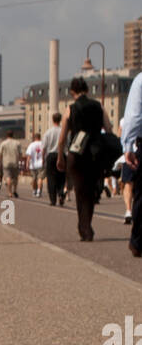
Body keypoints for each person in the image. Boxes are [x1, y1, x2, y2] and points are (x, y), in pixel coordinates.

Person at [57, 77, 112, 242]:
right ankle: (86, 225)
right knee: (91, 191)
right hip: (95, 152)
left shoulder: (70, 109)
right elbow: (108, 128)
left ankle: (84, 227)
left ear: (72, 92)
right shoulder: (98, 106)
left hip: (77, 152)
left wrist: (61, 156)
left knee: (80, 191)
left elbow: (62, 137)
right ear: (87, 90)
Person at [120, 69, 142, 257]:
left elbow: (134, 116)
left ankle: (137, 241)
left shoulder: (140, 81)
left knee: (141, 194)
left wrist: (128, 145)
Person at [41, 113, 65, 206]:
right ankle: (61, 192)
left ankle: (53, 199)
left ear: (52, 120)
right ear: (60, 120)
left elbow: (44, 147)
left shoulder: (48, 132)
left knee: (51, 178)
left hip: (51, 155)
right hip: (62, 154)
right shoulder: (63, 131)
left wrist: (43, 158)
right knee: (61, 176)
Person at [0, 130, 22, 198]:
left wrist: (1, 161)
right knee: (15, 178)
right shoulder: (17, 143)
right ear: (13, 135)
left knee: (8, 177)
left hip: (6, 162)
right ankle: (15, 190)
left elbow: (0, 154)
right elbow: (20, 153)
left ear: (7, 135)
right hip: (15, 162)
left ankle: (9, 192)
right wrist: (19, 160)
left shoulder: (3, 143)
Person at [26, 132, 44, 196]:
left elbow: (29, 155)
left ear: (34, 137)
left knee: (34, 178)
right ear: (40, 137)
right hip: (41, 163)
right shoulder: (43, 144)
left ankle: (34, 191)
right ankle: (39, 191)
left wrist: (27, 163)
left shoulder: (31, 145)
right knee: (40, 178)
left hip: (33, 164)